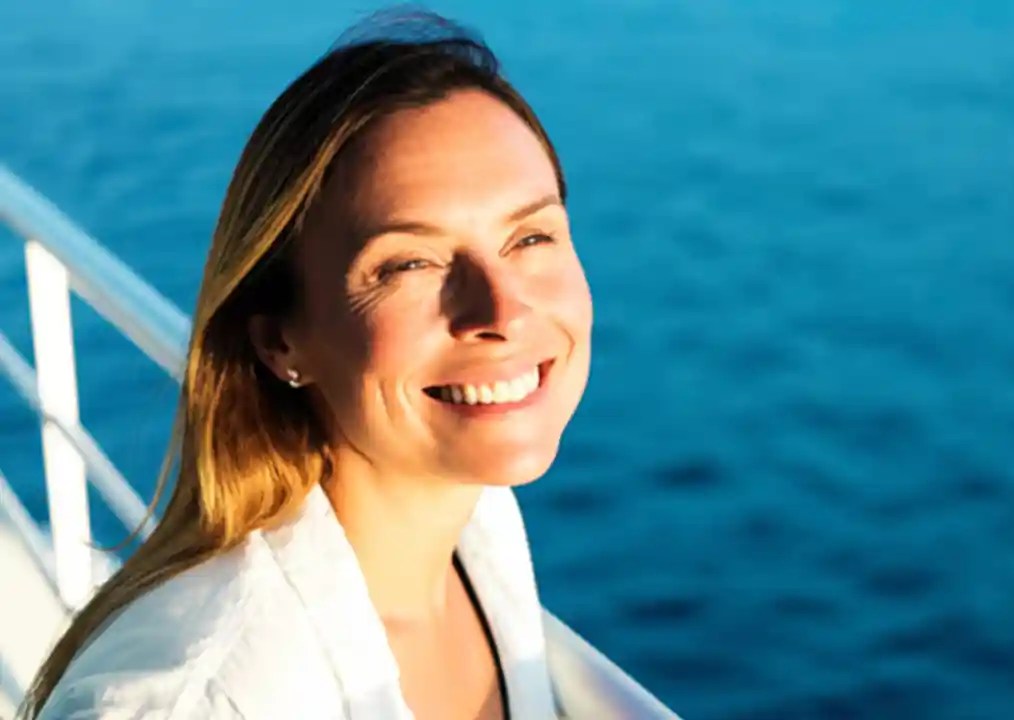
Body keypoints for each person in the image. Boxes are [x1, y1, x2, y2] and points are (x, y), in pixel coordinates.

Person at [21, 9, 591, 719]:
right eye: (409, 262)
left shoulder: (478, 525)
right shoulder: (197, 699)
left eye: (531, 237)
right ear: (279, 341)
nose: (502, 313)